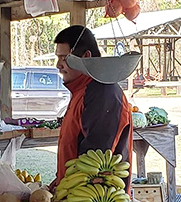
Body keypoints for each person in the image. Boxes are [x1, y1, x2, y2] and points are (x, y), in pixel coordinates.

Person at [54, 25, 133, 183]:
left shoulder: (102, 93)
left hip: (99, 201)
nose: (58, 65)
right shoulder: (81, 91)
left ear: (86, 56)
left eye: (64, 58)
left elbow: (96, 163)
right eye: (58, 58)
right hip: (73, 194)